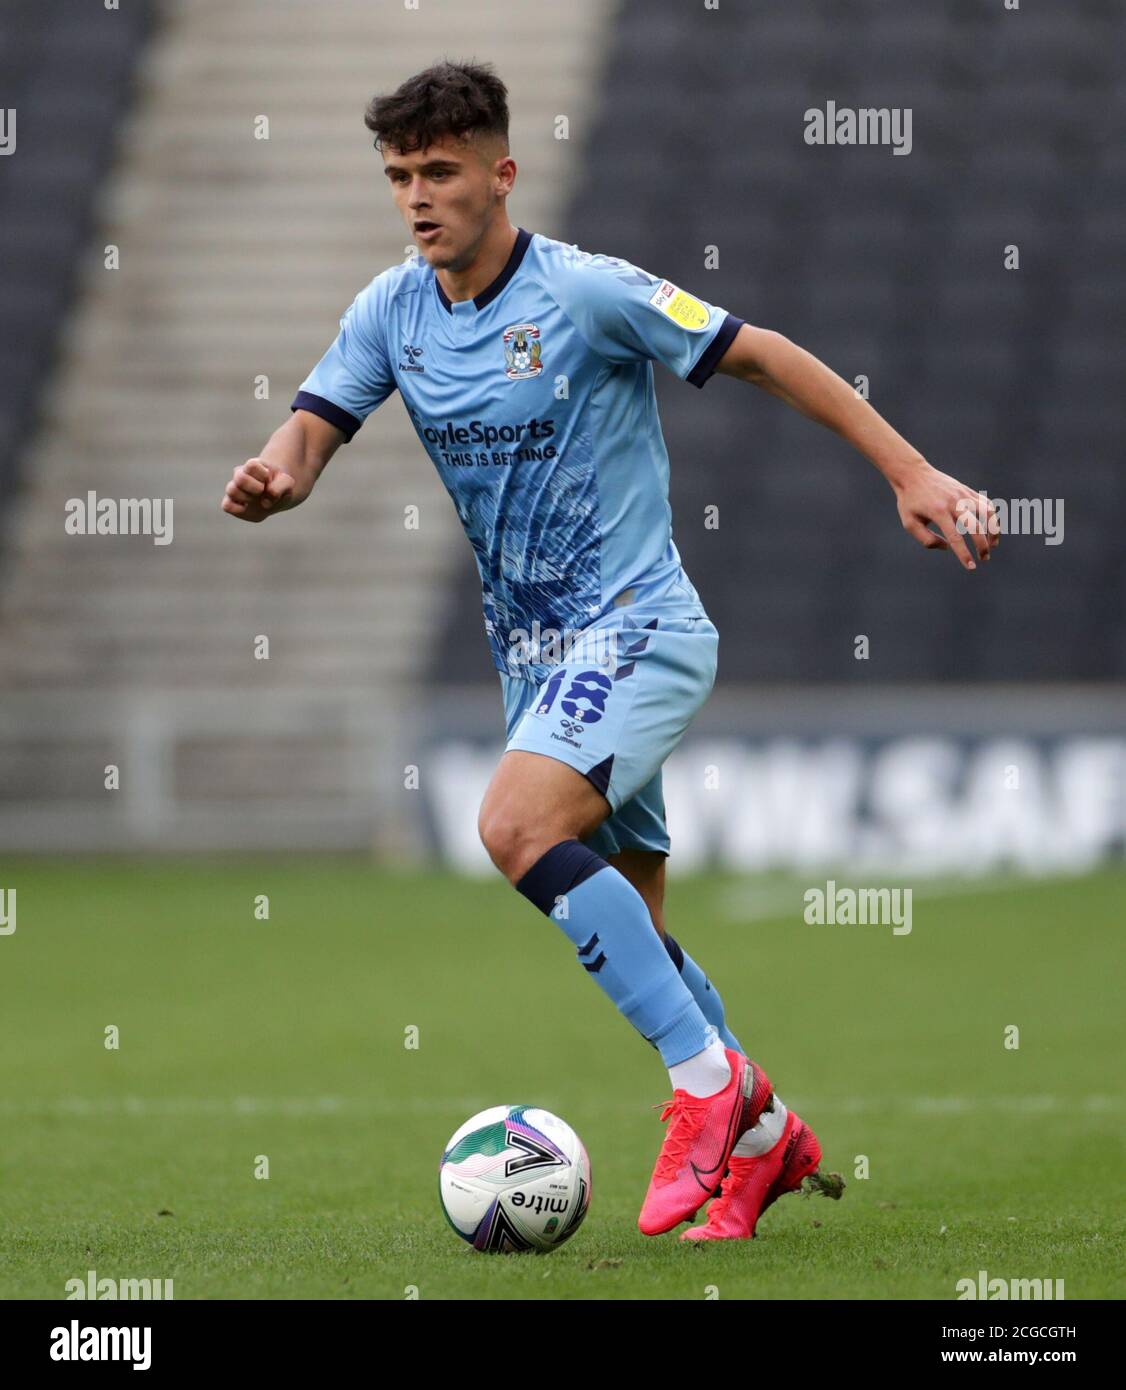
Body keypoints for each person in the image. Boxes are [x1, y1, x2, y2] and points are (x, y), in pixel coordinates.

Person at [222, 59, 998, 1241]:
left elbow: (759, 349)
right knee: (632, 924)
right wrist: (281, 473)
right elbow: (317, 421)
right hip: (536, 659)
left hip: (637, 630)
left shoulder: (582, 294)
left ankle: (706, 1088)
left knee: (513, 830)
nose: (418, 197)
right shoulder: (393, 309)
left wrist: (910, 470)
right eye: (398, 176)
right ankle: (760, 1135)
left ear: (502, 172)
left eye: (439, 172)